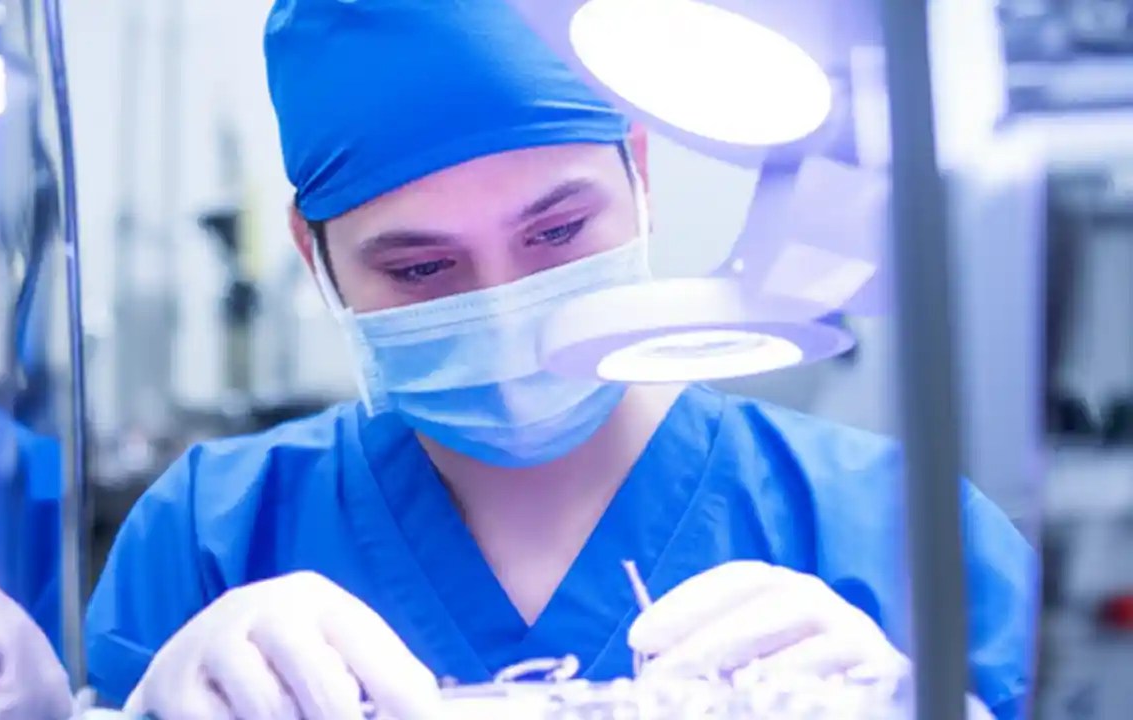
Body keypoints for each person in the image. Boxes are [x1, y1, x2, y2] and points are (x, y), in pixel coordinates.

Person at [85, 2, 1035, 719]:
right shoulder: (212, 537)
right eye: (422, 268)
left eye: (558, 232)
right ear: (314, 253)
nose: (507, 315)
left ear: (640, 171)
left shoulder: (902, 533)